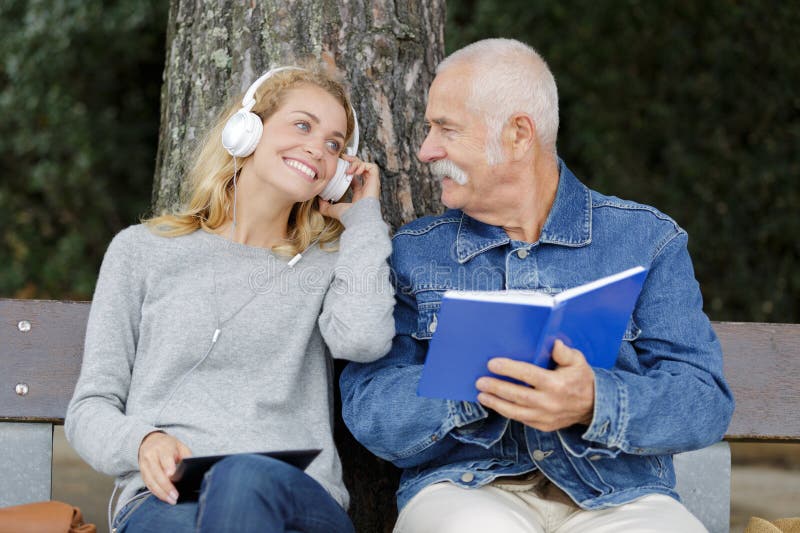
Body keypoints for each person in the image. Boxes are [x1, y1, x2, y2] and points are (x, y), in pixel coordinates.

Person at [340, 38, 734, 533]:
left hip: (620, 497)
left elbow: (704, 399)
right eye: (428, 127)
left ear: (519, 134)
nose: (425, 150)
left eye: (447, 128)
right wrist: (477, 389)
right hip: (468, 489)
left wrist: (593, 400)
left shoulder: (646, 240)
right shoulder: (414, 253)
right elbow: (370, 408)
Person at [65, 63, 395, 533]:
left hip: (294, 502)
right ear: (247, 130)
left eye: (334, 145)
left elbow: (363, 339)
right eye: (303, 126)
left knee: (243, 476)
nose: (317, 149)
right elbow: (90, 407)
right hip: (169, 500)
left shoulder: (328, 263)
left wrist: (362, 220)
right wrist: (141, 442)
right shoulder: (142, 251)